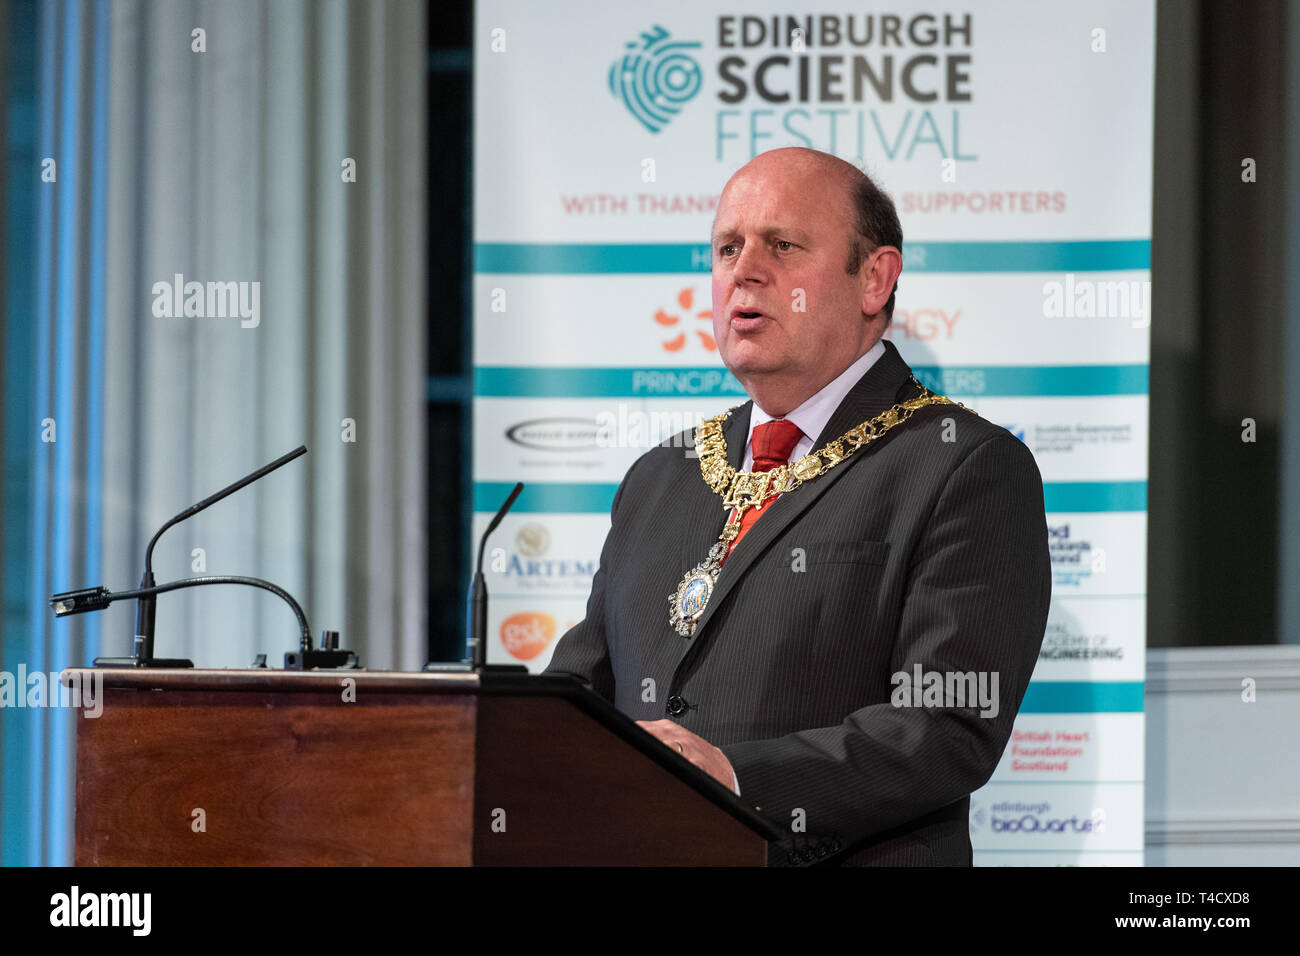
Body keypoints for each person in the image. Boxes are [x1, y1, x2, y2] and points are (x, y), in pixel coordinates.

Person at [544, 146, 1050, 866]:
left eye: (782, 245)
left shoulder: (960, 464)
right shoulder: (660, 476)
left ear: (874, 278)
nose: (744, 270)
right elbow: (578, 699)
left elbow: (945, 726)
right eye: (727, 248)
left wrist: (737, 780)